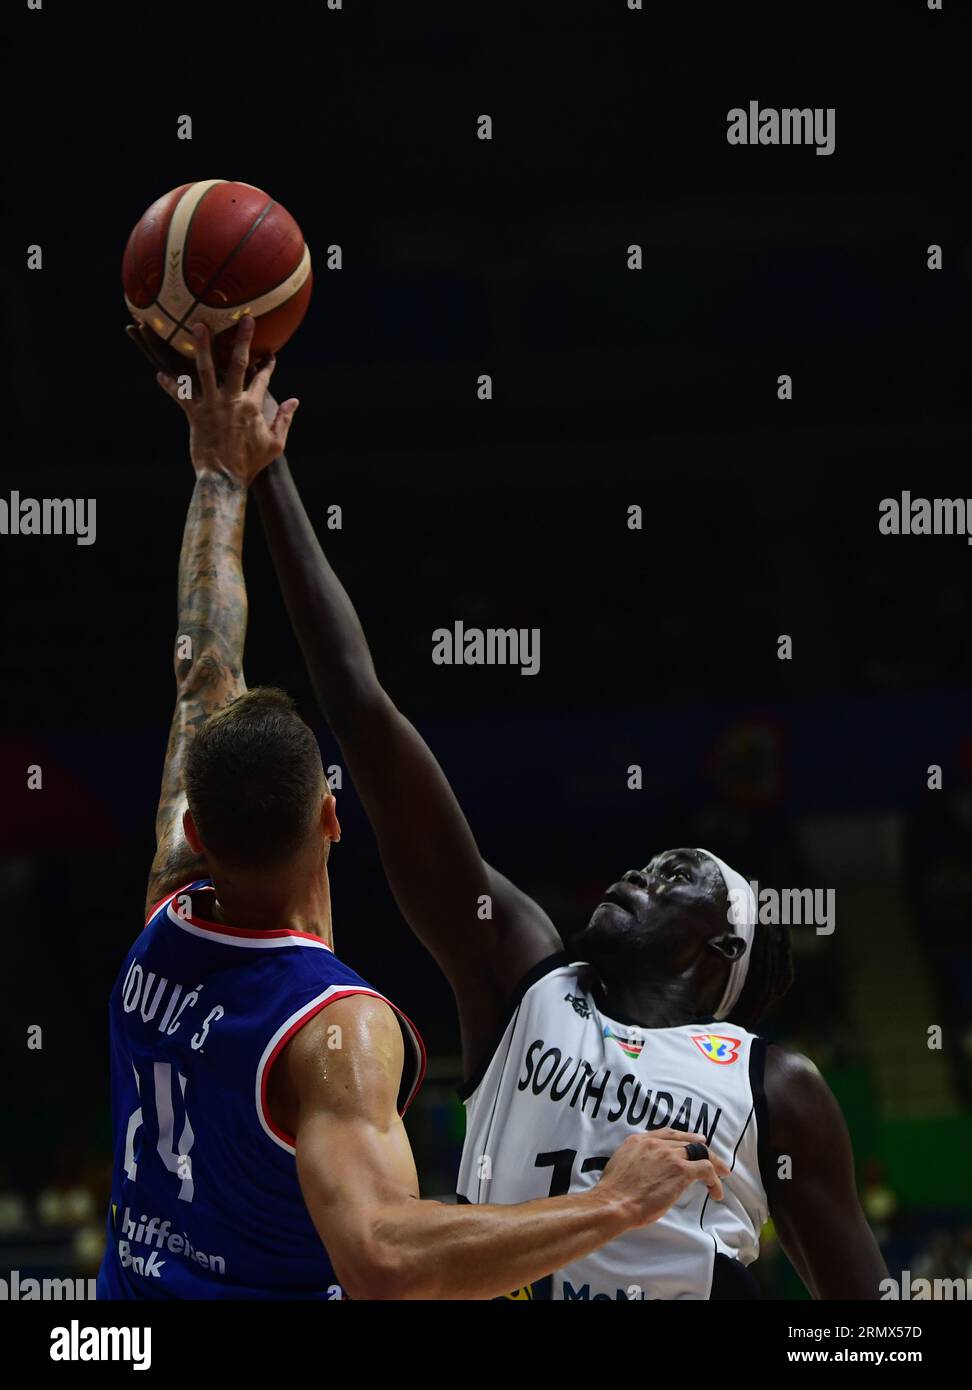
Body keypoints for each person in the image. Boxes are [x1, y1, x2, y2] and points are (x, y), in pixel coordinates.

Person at [99, 320, 730, 1300]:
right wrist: (617, 1200)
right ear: (332, 821)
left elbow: (203, 671)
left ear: (192, 831)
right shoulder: (334, 1030)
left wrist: (221, 472)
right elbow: (384, 1259)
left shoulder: (164, 915)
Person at [248, 382, 889, 1300]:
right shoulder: (521, 974)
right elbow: (364, 714)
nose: (639, 872)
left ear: (717, 951)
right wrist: (267, 472)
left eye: (674, 876)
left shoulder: (773, 1086)